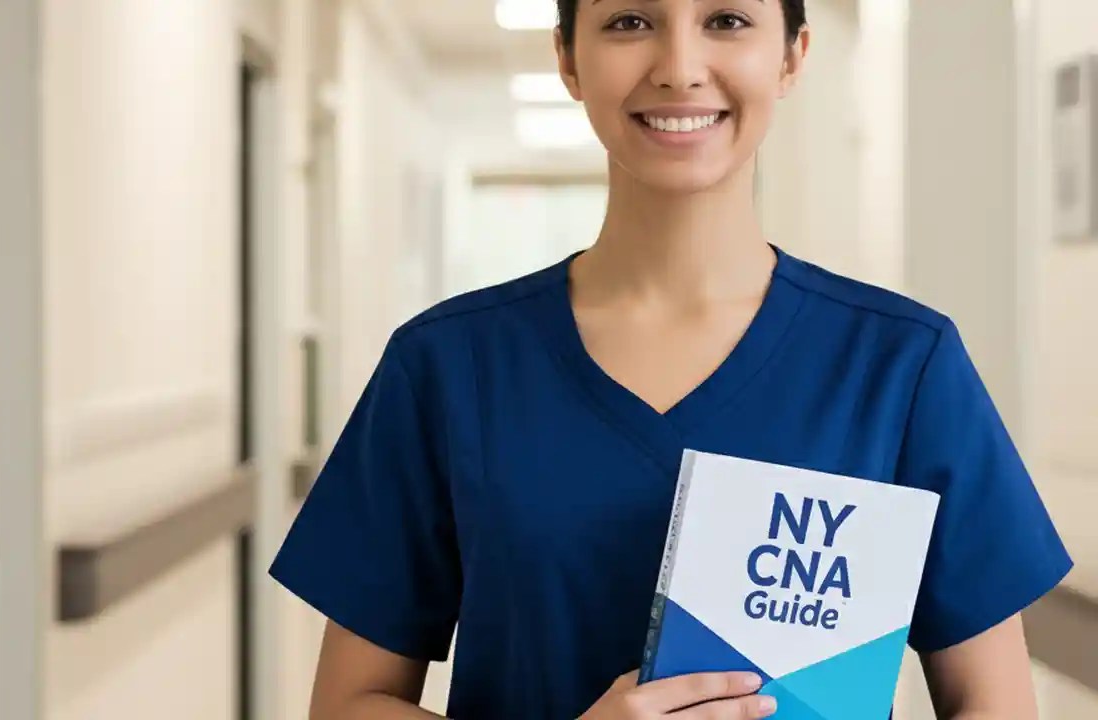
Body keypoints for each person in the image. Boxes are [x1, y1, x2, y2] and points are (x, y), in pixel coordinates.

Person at [268, 0, 1074, 717]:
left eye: (726, 21)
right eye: (629, 22)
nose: (681, 68)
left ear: (793, 54)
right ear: (568, 60)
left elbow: (993, 702)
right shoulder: (448, 365)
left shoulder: (901, 365)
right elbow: (348, 701)